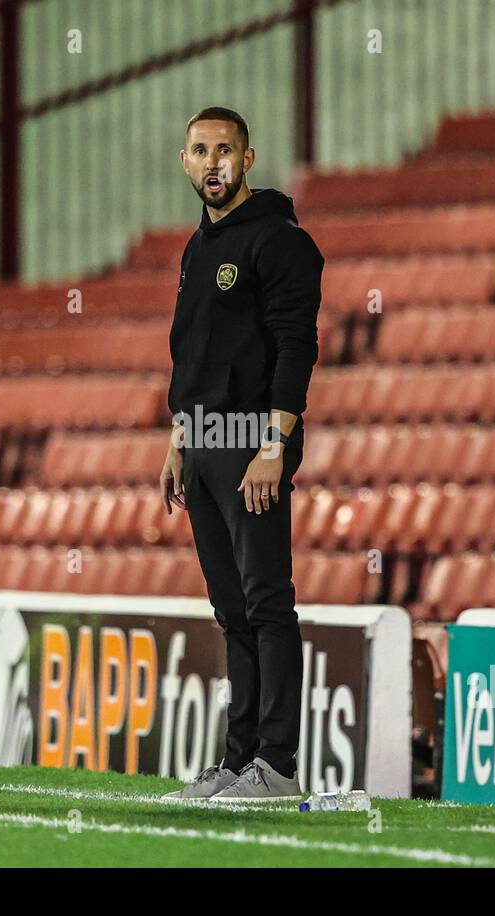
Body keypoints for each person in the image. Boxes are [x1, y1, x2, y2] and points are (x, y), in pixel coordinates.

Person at [159, 106, 323, 803]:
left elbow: (296, 346)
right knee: (232, 610)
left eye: (225, 149)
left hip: (251, 442)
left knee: (266, 601)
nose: (213, 162)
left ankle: (278, 765)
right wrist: (177, 440)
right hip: (201, 447)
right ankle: (239, 759)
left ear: (248, 159)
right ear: (185, 161)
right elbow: (191, 355)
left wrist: (272, 448)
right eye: (200, 150)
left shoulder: (281, 241)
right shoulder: (197, 248)